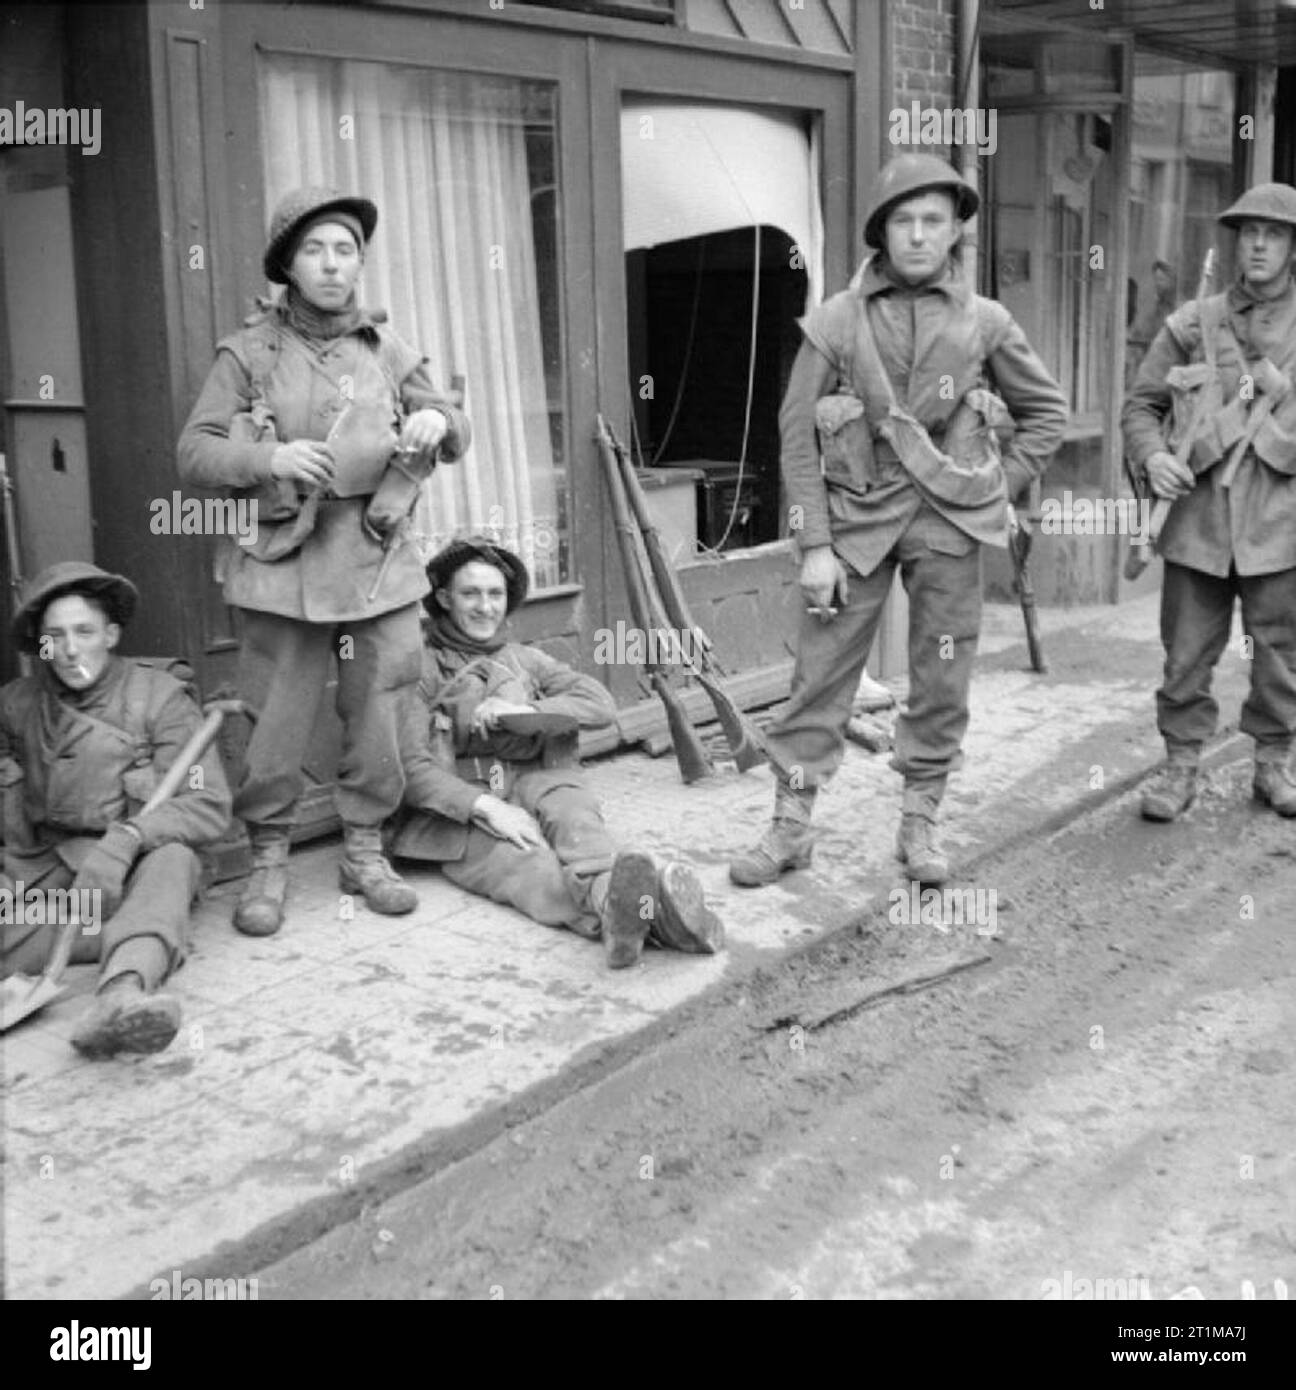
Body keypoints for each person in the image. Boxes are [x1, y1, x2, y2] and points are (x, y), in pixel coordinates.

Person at [730, 152, 1068, 889]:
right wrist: (814, 544)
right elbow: (794, 434)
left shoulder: (986, 322)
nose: (918, 236)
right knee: (818, 679)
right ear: (880, 233)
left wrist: (996, 489)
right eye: (903, 222)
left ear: (955, 234)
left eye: (934, 222)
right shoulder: (838, 321)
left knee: (942, 677)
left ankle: (920, 823)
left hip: (949, 532)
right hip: (854, 527)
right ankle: (790, 827)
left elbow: (1047, 417)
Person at [178, 187, 471, 935]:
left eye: (345, 250)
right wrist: (270, 455)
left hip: (375, 559)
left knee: (380, 706)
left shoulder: (388, 347)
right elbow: (196, 451)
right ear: (289, 265)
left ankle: (364, 848)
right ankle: (268, 854)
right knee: (275, 720)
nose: (333, 264)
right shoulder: (250, 351)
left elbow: (456, 427)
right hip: (282, 561)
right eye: (316, 249)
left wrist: (439, 419)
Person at [388, 538, 724, 969]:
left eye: (495, 594)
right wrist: (487, 807)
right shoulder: (422, 668)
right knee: (525, 864)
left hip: (541, 774)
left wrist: (525, 710)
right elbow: (411, 767)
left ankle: (621, 910)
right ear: (444, 599)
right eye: (470, 593)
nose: (485, 607)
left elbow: (599, 704)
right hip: (464, 799)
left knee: (580, 827)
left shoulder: (526, 659)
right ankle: (652, 917)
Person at [1, 563, 231, 1057]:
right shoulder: (16, 704)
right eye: (54, 636)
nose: (69, 649)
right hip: (44, 866)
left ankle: (120, 993)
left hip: (133, 866)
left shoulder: (160, 698)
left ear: (111, 634)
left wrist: (127, 838)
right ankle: (137, 932)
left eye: (84, 631)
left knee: (176, 859)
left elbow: (207, 803)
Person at [1122, 183, 1296, 821]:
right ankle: (1180, 766)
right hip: (1198, 525)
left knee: (1281, 653)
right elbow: (1141, 405)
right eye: (1248, 232)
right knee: (1186, 653)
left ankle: (1274, 763)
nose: (1257, 244)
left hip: (1280, 526)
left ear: (1292, 248)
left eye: (1273, 234)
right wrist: (1154, 457)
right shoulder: (1195, 322)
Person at [1126, 259, 1178, 383]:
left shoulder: (1177, 308)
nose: (1157, 284)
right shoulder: (1154, 308)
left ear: (1171, 281)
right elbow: (1142, 330)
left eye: (1161, 280)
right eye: (1156, 280)